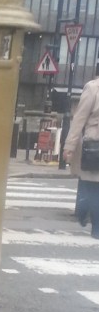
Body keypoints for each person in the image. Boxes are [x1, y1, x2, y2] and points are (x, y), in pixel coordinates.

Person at [64, 72, 99, 239]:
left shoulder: (93, 88)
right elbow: (80, 118)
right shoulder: (93, 88)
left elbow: (79, 118)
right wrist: (70, 145)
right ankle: (89, 216)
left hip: (94, 142)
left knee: (92, 184)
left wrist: (69, 146)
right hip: (95, 144)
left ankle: (87, 212)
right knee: (92, 184)